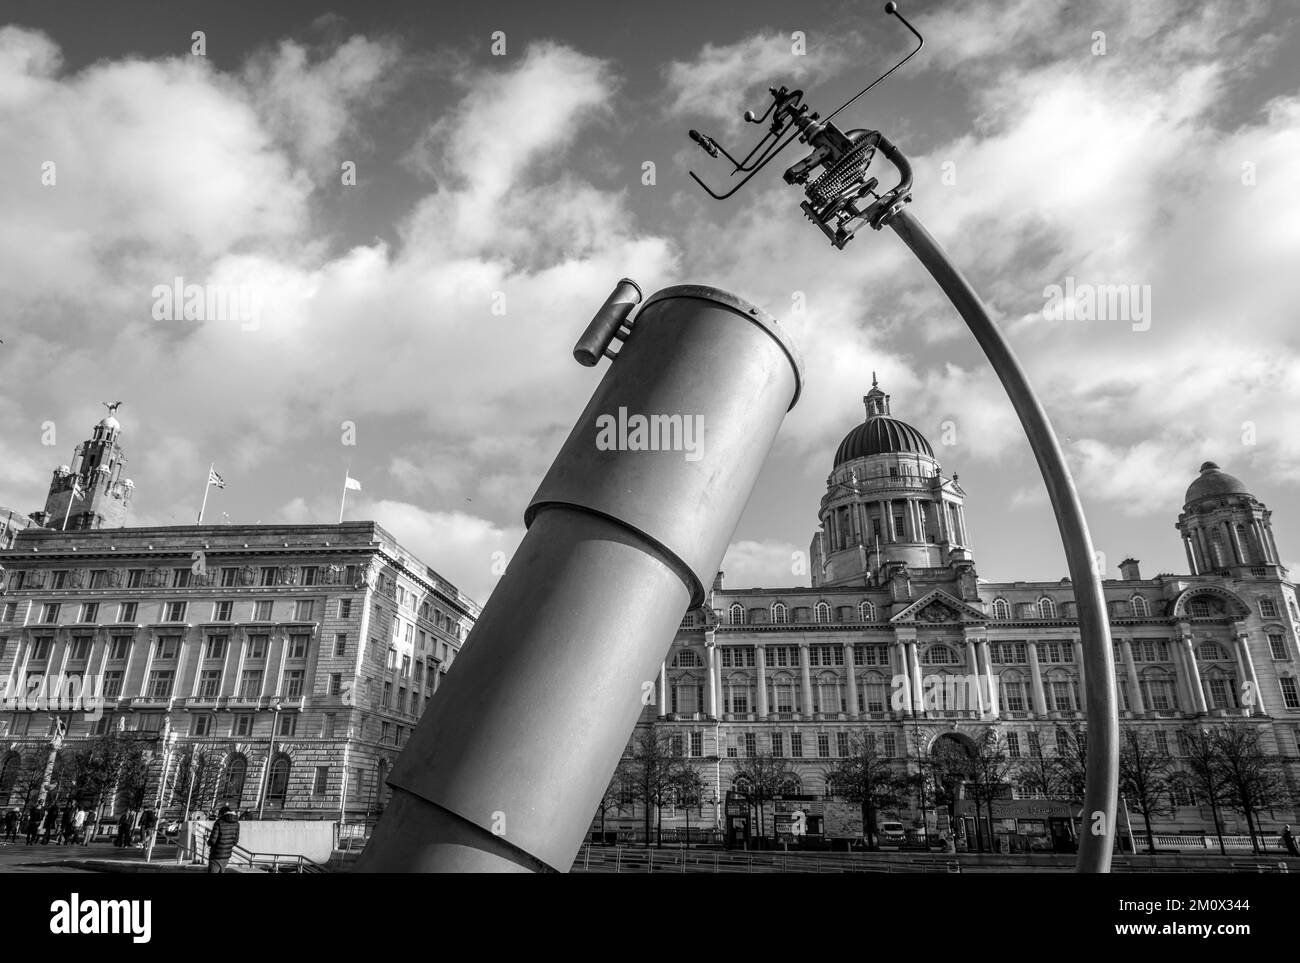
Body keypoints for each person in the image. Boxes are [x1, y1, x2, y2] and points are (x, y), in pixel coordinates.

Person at [207, 806, 241, 873]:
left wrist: (208, 843)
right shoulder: (237, 823)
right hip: (226, 856)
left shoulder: (219, 822)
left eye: (219, 814)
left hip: (216, 855)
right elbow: (235, 841)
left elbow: (212, 840)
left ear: (222, 813)